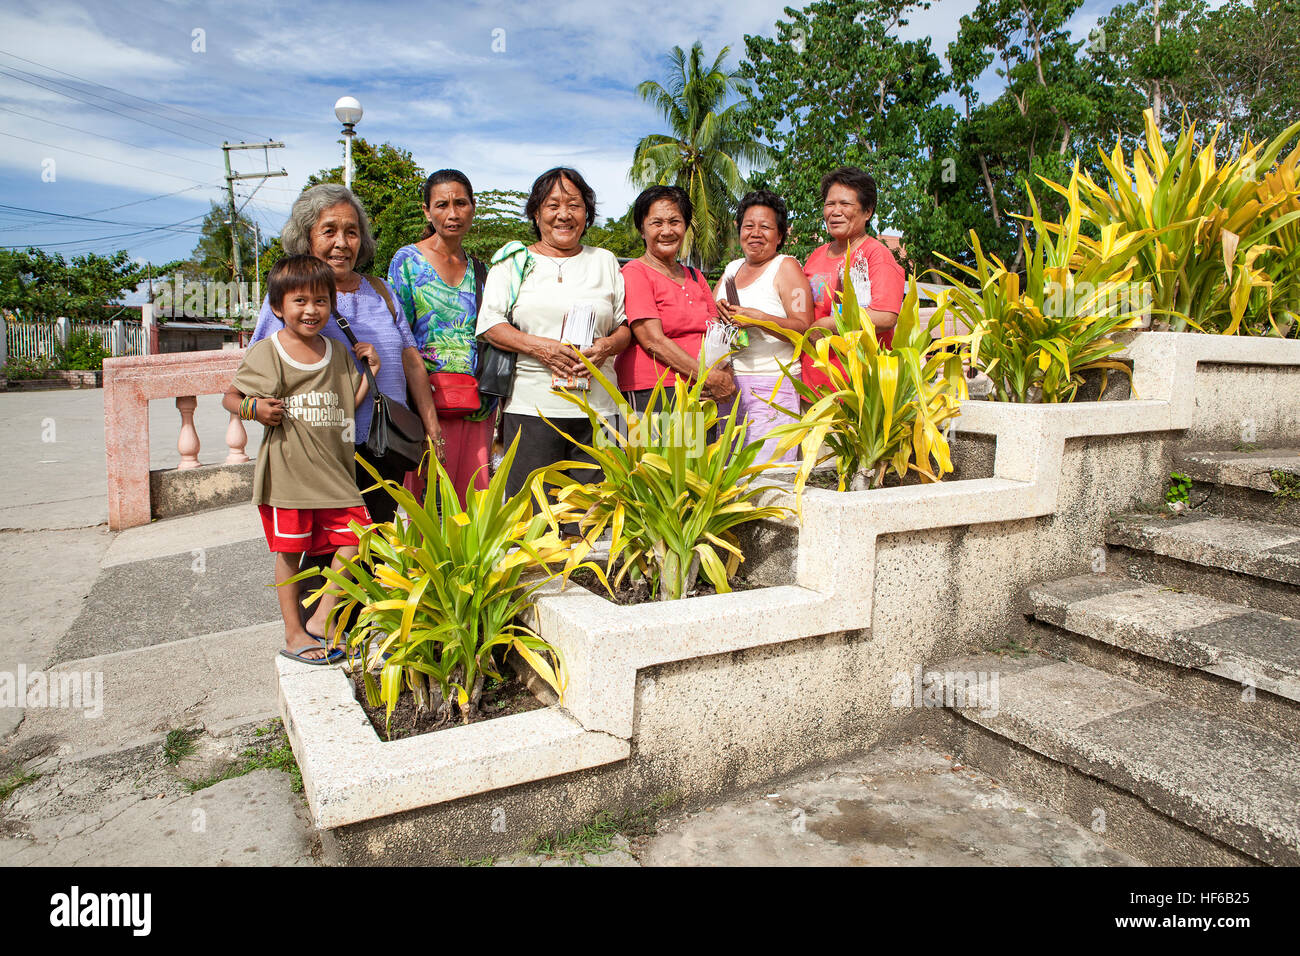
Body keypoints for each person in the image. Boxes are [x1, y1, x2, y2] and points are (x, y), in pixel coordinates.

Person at [224, 256, 379, 663]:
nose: (311, 310)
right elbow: (230, 397)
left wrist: (369, 373)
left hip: (335, 474)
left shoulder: (337, 353)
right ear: (278, 307)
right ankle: (294, 632)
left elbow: (346, 406)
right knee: (290, 554)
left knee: (359, 537)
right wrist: (253, 410)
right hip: (288, 477)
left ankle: (322, 617)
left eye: (321, 301)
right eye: (300, 301)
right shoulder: (268, 351)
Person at [248, 184, 433, 524]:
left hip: (385, 443)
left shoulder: (381, 290)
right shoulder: (292, 296)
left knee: (377, 543)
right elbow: (264, 364)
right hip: (324, 450)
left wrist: (431, 428)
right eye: (328, 231)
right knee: (327, 553)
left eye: (352, 232)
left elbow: (410, 358)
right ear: (307, 237)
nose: (342, 243)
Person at [476, 167, 631, 510]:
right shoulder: (515, 260)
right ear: (536, 213)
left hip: (600, 412)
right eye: (553, 205)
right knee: (534, 519)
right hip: (533, 409)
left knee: (596, 518)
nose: (564, 214)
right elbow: (489, 325)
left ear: (587, 214)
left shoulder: (605, 261)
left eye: (574, 205)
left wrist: (606, 346)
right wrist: (542, 349)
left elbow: (624, 327)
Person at [388, 169, 495, 507]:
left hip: (475, 405)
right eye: (442, 205)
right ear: (427, 211)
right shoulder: (407, 261)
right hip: (427, 404)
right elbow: (401, 338)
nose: (452, 213)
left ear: (473, 208)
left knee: (474, 503)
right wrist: (424, 414)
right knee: (428, 503)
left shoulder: (480, 269)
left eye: (461, 203)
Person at [616, 185, 736, 412]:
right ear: (642, 230)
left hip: (701, 390)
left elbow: (716, 334)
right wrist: (709, 378)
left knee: (705, 448)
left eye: (675, 221)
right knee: (658, 448)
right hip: (654, 391)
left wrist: (725, 375)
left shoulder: (695, 276)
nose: (667, 230)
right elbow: (652, 340)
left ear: (685, 227)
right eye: (657, 223)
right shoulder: (635, 272)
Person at [713, 189, 813, 463]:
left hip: (773, 386)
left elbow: (803, 329)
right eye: (749, 226)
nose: (755, 233)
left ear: (780, 235)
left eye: (766, 227)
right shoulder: (731, 269)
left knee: (765, 477)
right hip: (729, 386)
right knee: (731, 477)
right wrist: (720, 315)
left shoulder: (786, 267)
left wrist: (757, 319)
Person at [802, 166, 906, 390]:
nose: (835, 211)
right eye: (830, 204)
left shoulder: (875, 254)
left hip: (858, 391)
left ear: (867, 211)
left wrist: (829, 325)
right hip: (813, 386)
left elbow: (886, 316)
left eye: (845, 204)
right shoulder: (816, 256)